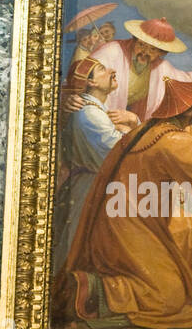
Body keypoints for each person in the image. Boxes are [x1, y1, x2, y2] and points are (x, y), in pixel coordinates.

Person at [55, 75, 192, 329]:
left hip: (129, 218)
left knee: (187, 231)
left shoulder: (158, 130)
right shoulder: (171, 141)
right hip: (128, 225)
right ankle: (83, 290)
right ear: (185, 110)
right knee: (167, 299)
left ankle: (147, 277)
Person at [53, 57, 135, 270]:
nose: (111, 70)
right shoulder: (89, 114)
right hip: (91, 191)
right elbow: (119, 152)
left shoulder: (95, 111)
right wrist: (132, 128)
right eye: (102, 69)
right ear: (91, 83)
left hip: (97, 187)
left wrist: (130, 126)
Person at [81, 16, 192, 122]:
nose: (145, 52)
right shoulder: (113, 51)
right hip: (99, 116)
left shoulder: (161, 67)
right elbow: (83, 74)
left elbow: (187, 81)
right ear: (134, 40)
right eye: (142, 45)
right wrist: (77, 98)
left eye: (153, 50)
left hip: (130, 121)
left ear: (162, 52)